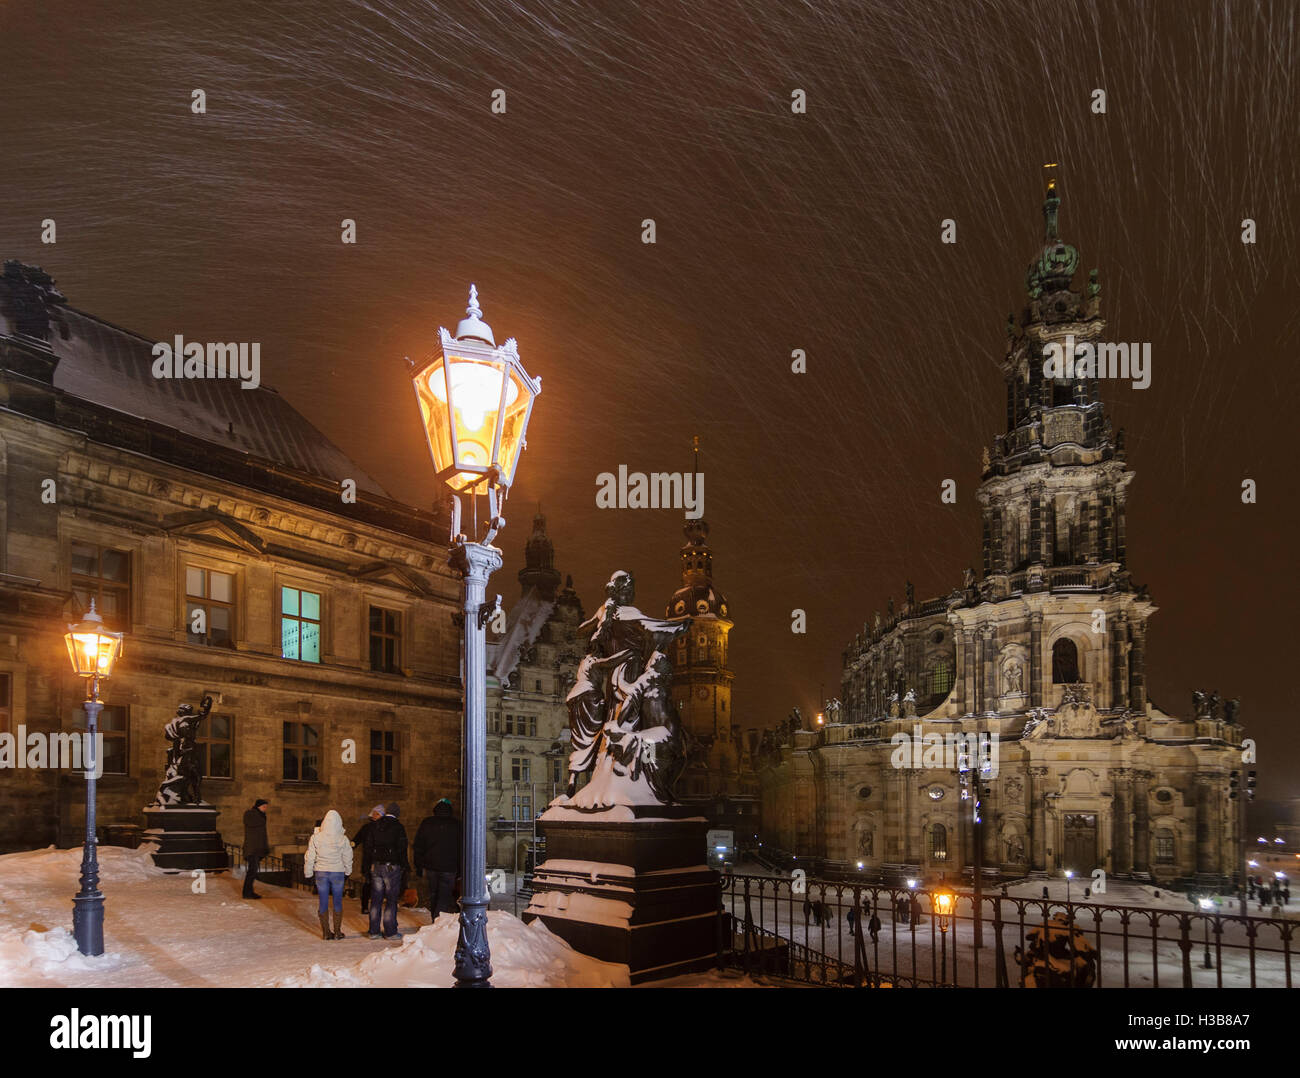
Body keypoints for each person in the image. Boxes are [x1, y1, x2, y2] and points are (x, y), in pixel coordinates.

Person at [304, 809, 354, 940]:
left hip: (321, 872)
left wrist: (308, 872)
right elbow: (348, 856)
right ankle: (337, 932)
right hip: (337, 873)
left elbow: (310, 856)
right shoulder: (343, 839)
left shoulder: (316, 837)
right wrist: (348, 870)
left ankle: (326, 932)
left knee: (323, 902)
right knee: (338, 902)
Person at [364, 802, 409, 939]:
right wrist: (405, 865)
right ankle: (390, 931)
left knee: (376, 899)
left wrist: (367, 866)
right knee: (391, 899)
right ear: (397, 814)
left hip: (376, 865)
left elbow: (368, 847)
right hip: (391, 866)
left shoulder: (375, 825)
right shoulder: (398, 827)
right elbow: (402, 848)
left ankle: (374, 931)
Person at [413, 798, 460, 922]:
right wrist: (460, 870)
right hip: (449, 867)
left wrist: (419, 865)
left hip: (431, 866)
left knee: (434, 894)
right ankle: (437, 921)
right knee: (444, 896)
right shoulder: (456, 824)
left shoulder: (427, 823)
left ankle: (435, 920)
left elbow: (418, 846)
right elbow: (462, 848)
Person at [353, 806, 383, 915]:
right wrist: (351, 845)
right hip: (368, 860)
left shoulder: (384, 827)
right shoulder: (366, 828)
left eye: (378, 814)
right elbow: (357, 839)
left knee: (379, 884)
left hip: (380, 860)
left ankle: (376, 906)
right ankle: (365, 906)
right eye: (374, 813)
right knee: (368, 883)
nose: (375, 815)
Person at [242, 798, 270, 899]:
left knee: (252, 872)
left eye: (266, 807)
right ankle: (247, 893)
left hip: (255, 849)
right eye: (264, 806)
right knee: (252, 872)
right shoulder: (253, 815)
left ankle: (248, 892)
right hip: (252, 849)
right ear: (258, 806)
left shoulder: (259, 816)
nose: (265, 809)